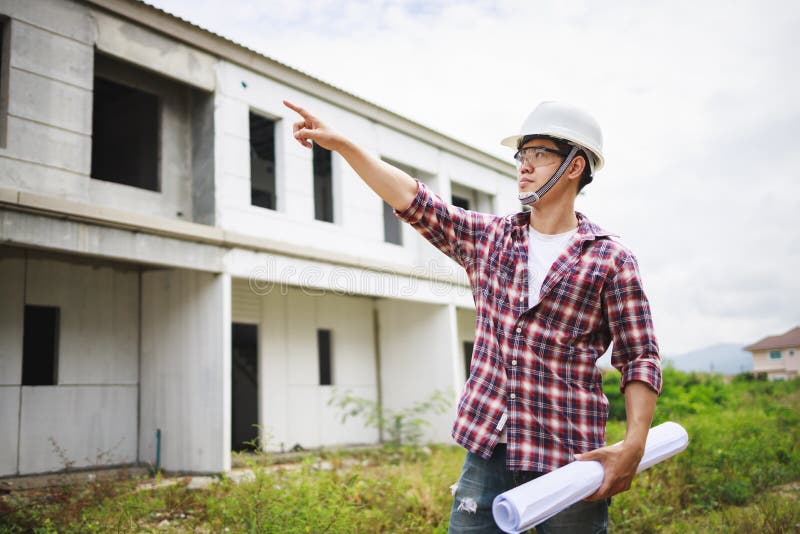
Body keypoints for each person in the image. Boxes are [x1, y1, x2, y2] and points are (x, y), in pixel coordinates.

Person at [284, 99, 661, 533]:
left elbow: (639, 357)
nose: (524, 165)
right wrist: (344, 144)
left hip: (569, 455)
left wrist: (634, 444)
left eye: (539, 153)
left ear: (575, 166)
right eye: (523, 154)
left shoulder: (611, 259)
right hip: (488, 452)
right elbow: (414, 199)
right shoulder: (490, 239)